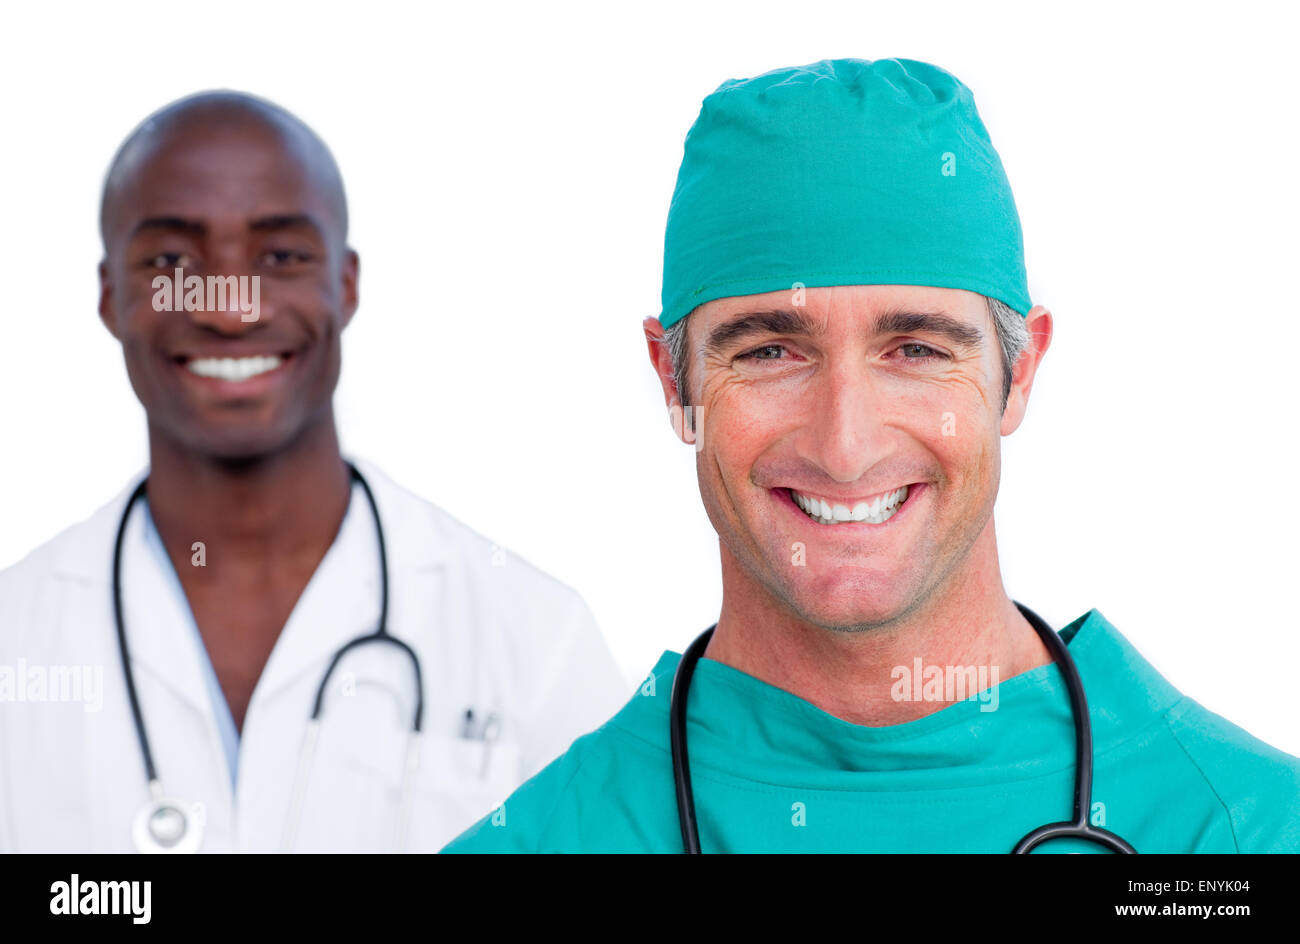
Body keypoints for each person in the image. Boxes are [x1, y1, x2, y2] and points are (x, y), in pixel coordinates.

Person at [443, 58, 1300, 853]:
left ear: (1019, 373)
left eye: (918, 350)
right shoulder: (547, 837)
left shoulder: (1241, 830)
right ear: (675, 381)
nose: (845, 447)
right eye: (771, 352)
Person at [0, 91, 627, 852]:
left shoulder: (533, 641)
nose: (229, 310)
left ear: (347, 283)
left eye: (281, 257)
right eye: (171, 261)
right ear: (110, 296)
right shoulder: (17, 639)